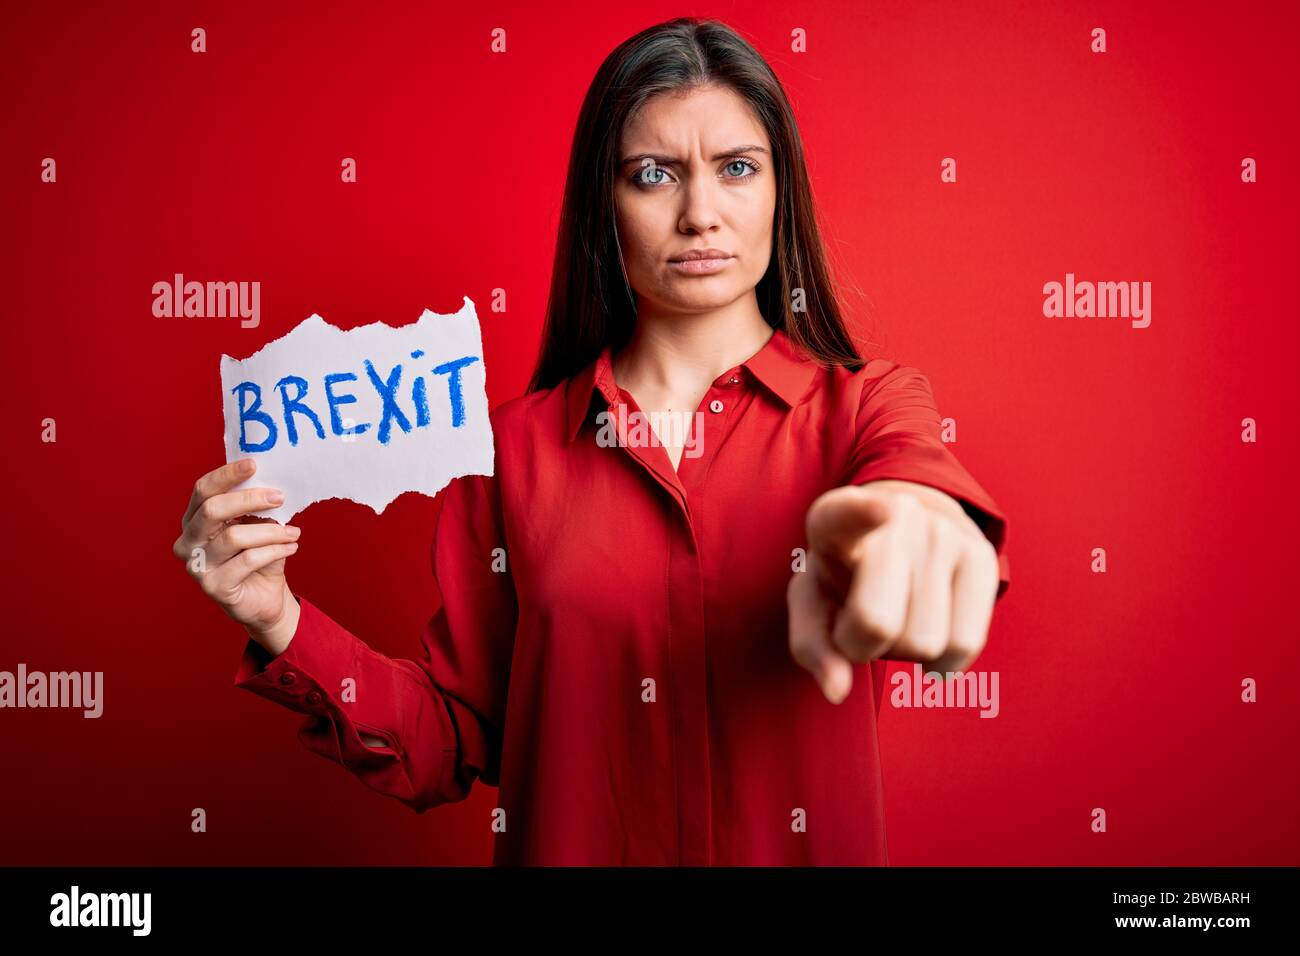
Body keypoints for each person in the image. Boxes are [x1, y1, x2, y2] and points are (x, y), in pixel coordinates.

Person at [173, 16, 1010, 865]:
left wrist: (917, 521)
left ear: (780, 189)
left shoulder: (869, 406)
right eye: (653, 175)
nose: (699, 214)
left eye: (736, 169)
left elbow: (915, 486)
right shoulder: (505, 454)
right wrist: (279, 617)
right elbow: (453, 738)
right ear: (602, 204)